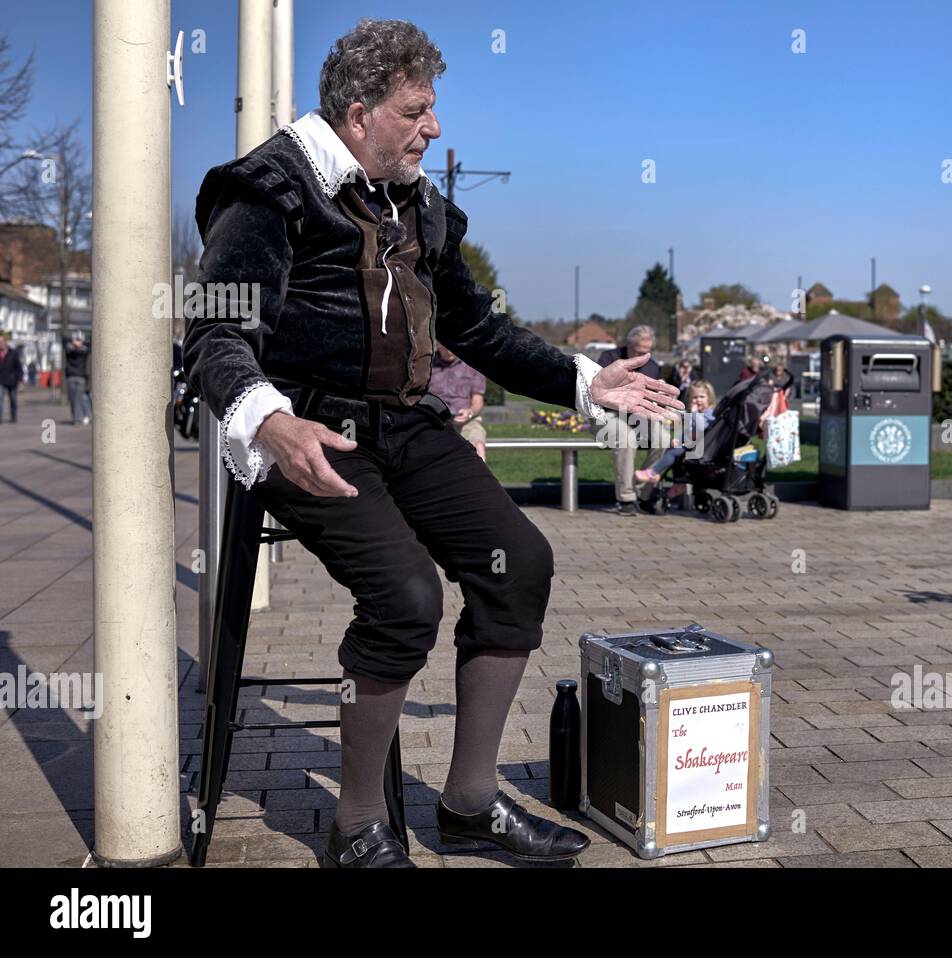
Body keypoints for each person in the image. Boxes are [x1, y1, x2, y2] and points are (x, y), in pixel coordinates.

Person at [182, 18, 682, 868]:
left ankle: (469, 804)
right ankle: (357, 824)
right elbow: (214, 334)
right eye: (416, 110)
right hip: (306, 424)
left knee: (518, 561)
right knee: (407, 597)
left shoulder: (422, 206)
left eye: (433, 109)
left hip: (406, 423)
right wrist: (267, 419)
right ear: (356, 111)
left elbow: (479, 327)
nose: (435, 128)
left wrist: (583, 378)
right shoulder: (267, 189)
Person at [597, 325, 670, 516]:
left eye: (646, 352)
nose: (642, 357)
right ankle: (626, 497)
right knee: (626, 438)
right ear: (628, 345)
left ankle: (643, 493)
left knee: (663, 439)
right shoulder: (609, 359)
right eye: (638, 352)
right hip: (608, 413)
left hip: (638, 415)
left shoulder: (653, 366)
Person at [635, 380, 716, 492]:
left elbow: (700, 428)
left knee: (674, 453)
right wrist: (678, 439)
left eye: (701, 397)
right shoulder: (696, 414)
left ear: (710, 398)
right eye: (694, 398)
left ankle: (652, 472)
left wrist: (693, 413)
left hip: (702, 447)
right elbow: (688, 431)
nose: (697, 400)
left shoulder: (709, 414)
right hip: (692, 444)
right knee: (672, 451)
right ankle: (678, 482)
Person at [427, 342, 487, 460]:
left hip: (467, 421)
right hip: (433, 421)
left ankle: (478, 476)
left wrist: (469, 412)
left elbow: (478, 401)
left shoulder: (473, 365)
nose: (449, 351)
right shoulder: (426, 365)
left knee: (477, 448)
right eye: (445, 345)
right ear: (438, 344)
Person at [63, 332, 92, 425]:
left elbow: (90, 346)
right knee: (72, 399)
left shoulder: (83, 351)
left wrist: (81, 343)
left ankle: (77, 419)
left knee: (78, 399)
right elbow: (64, 340)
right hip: (71, 377)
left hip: (80, 377)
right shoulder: (70, 350)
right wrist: (74, 342)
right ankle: (76, 417)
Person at [0, 334, 22, 423]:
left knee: (13, 399)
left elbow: (19, 367)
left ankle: (13, 416)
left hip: (11, 379)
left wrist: (20, 379)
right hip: (0, 379)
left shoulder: (13, 353)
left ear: (5, 343)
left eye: (1, 342)